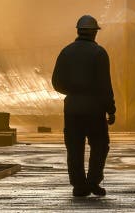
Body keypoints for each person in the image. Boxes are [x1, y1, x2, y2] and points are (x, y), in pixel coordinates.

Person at [51, 15, 116, 197]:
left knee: (74, 148)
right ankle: (94, 182)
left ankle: (79, 186)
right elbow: (105, 85)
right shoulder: (99, 53)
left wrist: (73, 92)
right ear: (95, 32)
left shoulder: (66, 52)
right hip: (95, 109)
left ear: (78, 31)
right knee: (100, 146)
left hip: (72, 109)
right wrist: (110, 109)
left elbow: (56, 82)